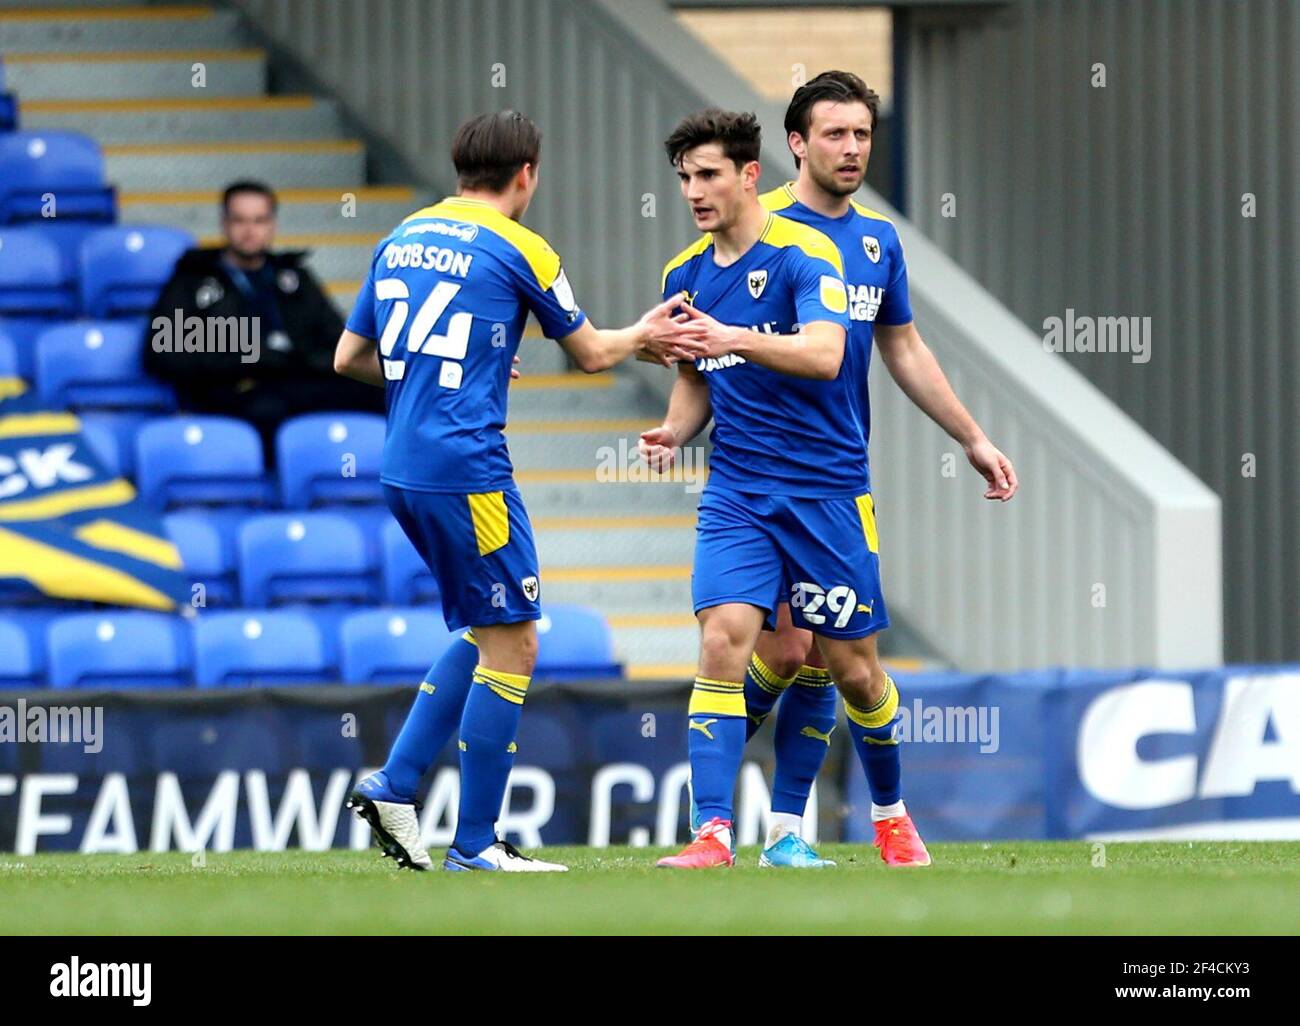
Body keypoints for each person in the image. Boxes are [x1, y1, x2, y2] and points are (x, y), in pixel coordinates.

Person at [642, 105, 1017, 870]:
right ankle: (722, 832)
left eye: (862, 134)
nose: (852, 149)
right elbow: (696, 376)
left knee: (842, 665)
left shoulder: (838, 251)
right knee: (730, 641)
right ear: (792, 147)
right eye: (686, 179)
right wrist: (673, 434)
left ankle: (887, 815)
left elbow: (845, 350)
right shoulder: (691, 269)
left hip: (830, 487)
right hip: (739, 487)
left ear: (743, 175)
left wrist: (972, 438)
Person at [334, 110, 703, 872]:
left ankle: (397, 783)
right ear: (526, 174)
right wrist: (647, 331)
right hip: (467, 469)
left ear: (459, 166)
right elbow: (595, 353)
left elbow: (350, 358)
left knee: (485, 630)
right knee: (519, 641)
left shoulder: (401, 236)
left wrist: (449, 369)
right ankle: (475, 843)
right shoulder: (522, 247)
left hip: (402, 464)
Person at [144, 180, 383, 459]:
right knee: (267, 410)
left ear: (273, 225)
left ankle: (368, 488)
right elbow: (159, 353)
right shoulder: (193, 279)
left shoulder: (293, 277)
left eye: (259, 220)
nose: (249, 230)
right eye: (239, 220)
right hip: (231, 391)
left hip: (297, 383)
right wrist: (246, 357)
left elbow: (337, 341)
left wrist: (297, 358)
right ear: (224, 223)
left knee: (379, 392)